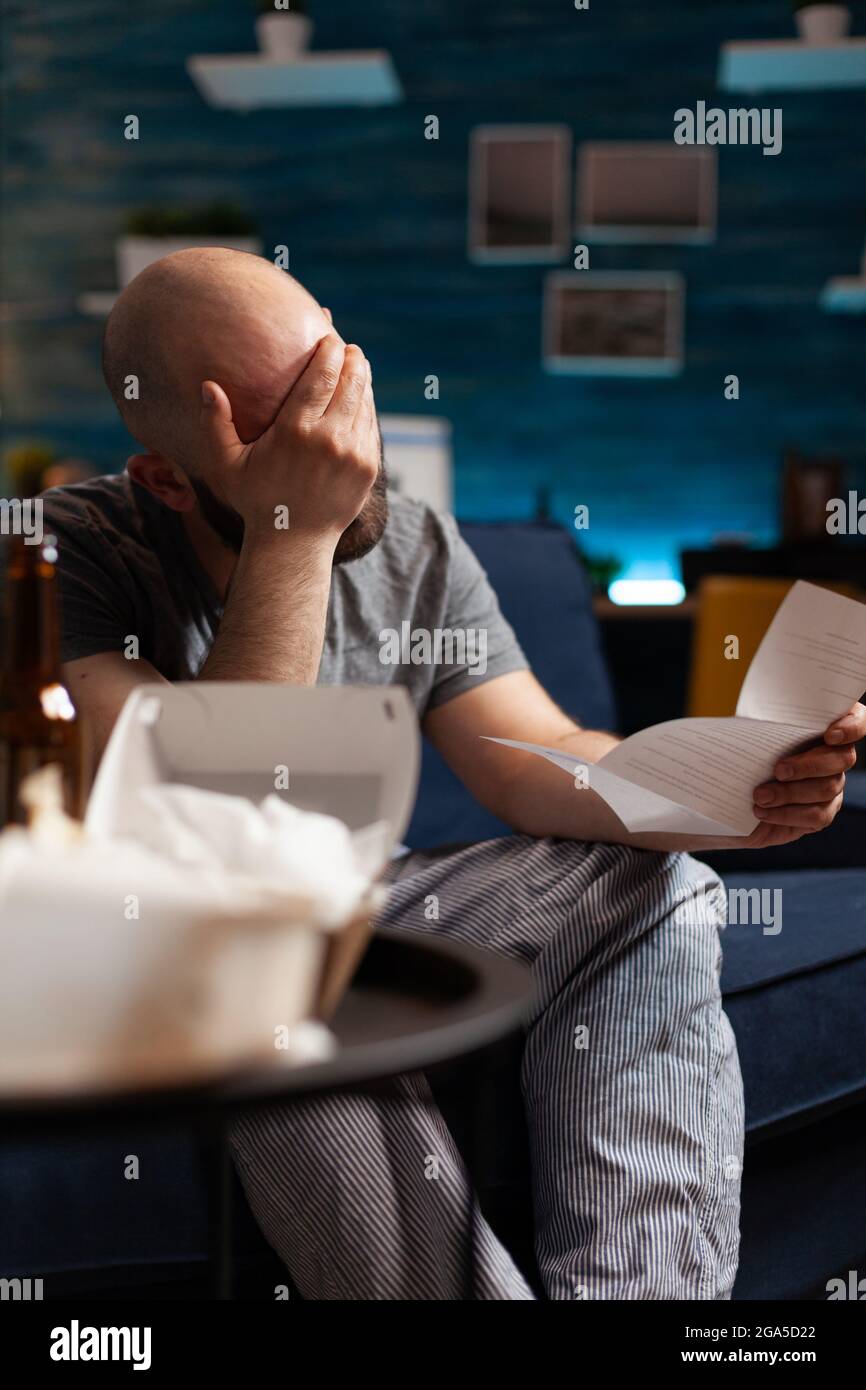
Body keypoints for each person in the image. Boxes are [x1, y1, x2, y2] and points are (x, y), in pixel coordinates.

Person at [37, 248, 865, 1299]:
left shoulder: (417, 544)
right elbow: (214, 818)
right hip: (145, 939)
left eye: (338, 385)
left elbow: (536, 761)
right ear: (165, 474)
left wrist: (718, 788)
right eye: (292, 429)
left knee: (651, 884)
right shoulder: (63, 556)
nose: (343, 446)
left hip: (350, 909)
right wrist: (296, 533)